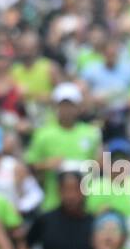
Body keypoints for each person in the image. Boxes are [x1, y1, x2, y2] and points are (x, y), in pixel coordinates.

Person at [24, 83, 101, 211]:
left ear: (78, 107)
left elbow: (98, 163)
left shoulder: (91, 133)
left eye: (70, 105)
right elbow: (30, 165)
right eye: (63, 105)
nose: (67, 110)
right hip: (53, 202)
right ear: (56, 107)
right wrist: (46, 165)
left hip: (84, 202)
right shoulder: (43, 134)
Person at [23, 164, 96, 249]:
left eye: (75, 190)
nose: (71, 196)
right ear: (58, 191)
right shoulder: (46, 220)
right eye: (65, 190)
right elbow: (24, 246)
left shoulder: (94, 222)